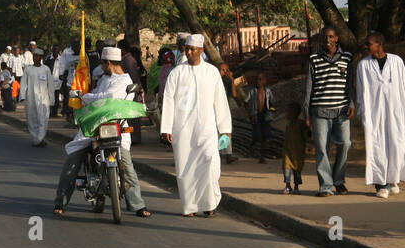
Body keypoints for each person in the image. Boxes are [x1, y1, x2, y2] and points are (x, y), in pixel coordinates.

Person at [53, 48, 150, 217]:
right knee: (72, 162)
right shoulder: (104, 79)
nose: (102, 66)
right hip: (95, 127)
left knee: (127, 166)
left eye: (102, 63)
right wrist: (86, 96)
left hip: (116, 126)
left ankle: (138, 205)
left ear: (108, 63)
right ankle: (60, 201)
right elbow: (99, 95)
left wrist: (87, 97)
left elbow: (110, 96)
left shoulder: (125, 80)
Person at [159, 34, 232, 216]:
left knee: (210, 164)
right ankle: (190, 206)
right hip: (182, 128)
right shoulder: (177, 73)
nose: (190, 52)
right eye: (188, 49)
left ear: (201, 50)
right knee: (186, 168)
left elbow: (220, 102)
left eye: (193, 49)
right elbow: (168, 100)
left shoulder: (212, 72)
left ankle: (209, 204)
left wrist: (225, 130)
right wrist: (166, 128)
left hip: (207, 128)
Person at [355, 32, 405, 198]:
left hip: (396, 112)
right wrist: (363, 111)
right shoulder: (363, 65)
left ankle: (393, 179)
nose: (366, 47)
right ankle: (381, 185)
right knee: (377, 146)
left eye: (369, 44)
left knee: (397, 145)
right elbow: (361, 91)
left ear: (379, 44)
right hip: (375, 113)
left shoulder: (396, 61)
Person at [304, 26, 356, 196]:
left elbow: (350, 85)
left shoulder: (347, 57)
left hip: (341, 110)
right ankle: (326, 186)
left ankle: (339, 181)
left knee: (345, 144)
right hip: (320, 111)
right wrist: (307, 114)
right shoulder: (313, 59)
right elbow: (309, 89)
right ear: (321, 39)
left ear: (337, 38)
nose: (328, 40)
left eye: (331, 37)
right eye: (325, 37)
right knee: (321, 149)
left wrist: (351, 104)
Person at [21, 47, 53, 147]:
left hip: (43, 98)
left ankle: (39, 139)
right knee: (32, 118)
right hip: (31, 98)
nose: (36, 57)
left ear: (41, 57)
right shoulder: (28, 69)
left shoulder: (46, 69)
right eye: (34, 55)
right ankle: (38, 138)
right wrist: (22, 96)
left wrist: (51, 100)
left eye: (38, 56)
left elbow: (50, 85)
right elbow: (23, 84)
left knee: (43, 118)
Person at [246, 72, 275, 162]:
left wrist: (271, 110)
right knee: (257, 136)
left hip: (266, 116)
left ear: (265, 81)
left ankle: (262, 156)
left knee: (265, 136)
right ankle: (252, 146)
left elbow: (272, 103)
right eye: (257, 79)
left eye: (260, 79)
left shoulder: (268, 91)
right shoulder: (252, 91)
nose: (258, 81)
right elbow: (245, 102)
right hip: (256, 115)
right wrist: (250, 114)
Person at [281, 102, 306, 195]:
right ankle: (287, 186)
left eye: (288, 112)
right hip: (287, 152)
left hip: (298, 153)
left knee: (297, 170)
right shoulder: (288, 125)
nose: (286, 114)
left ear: (293, 113)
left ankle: (296, 186)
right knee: (286, 169)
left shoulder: (301, 124)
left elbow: (306, 136)